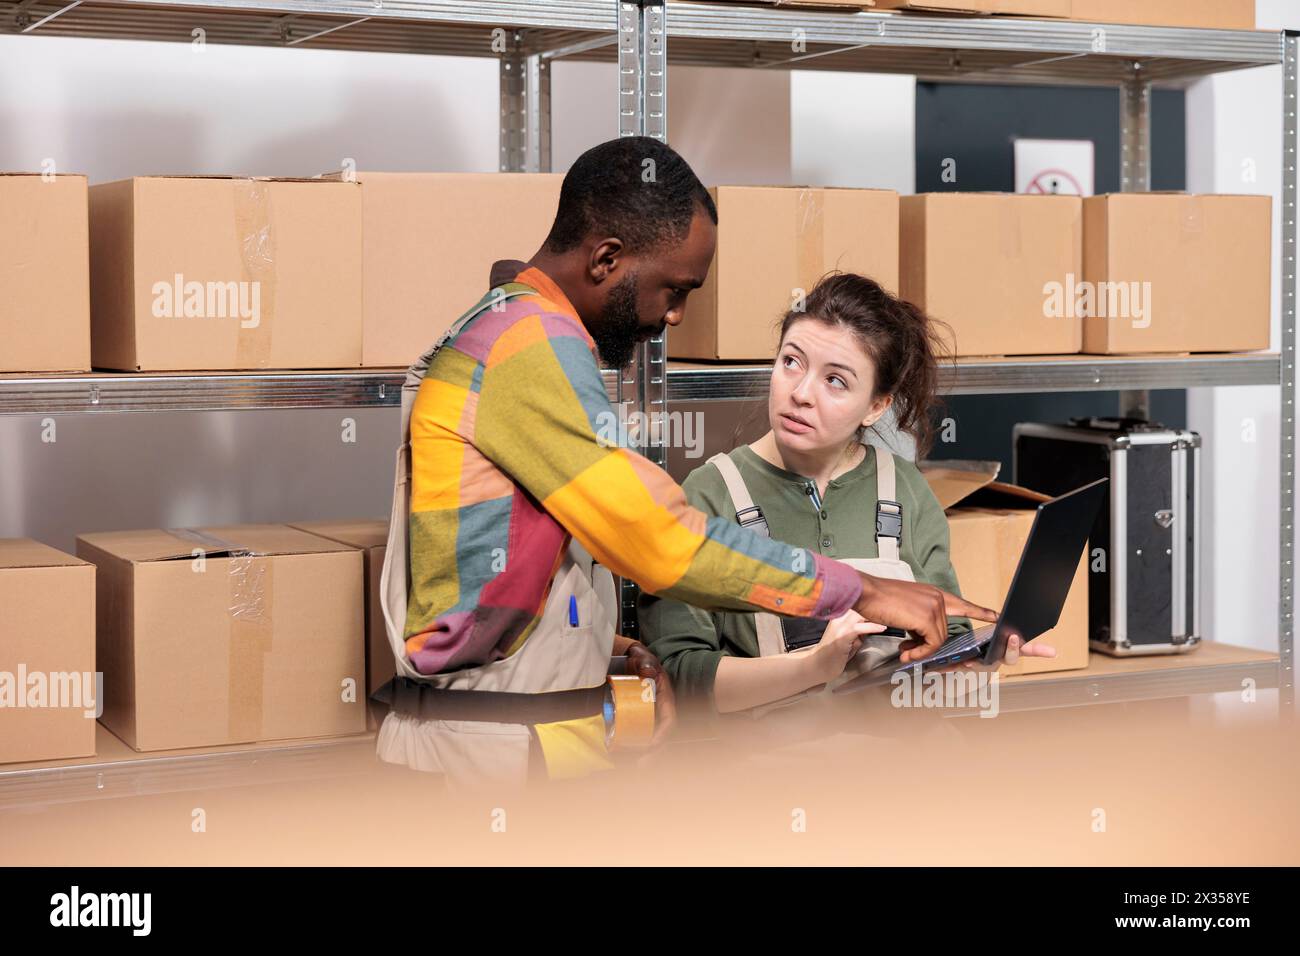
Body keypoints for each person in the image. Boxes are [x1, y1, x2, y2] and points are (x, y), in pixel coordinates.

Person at [376, 138, 997, 784]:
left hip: (515, 741)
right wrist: (864, 590)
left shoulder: (517, 332)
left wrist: (615, 651)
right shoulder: (527, 345)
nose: (674, 315)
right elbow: (659, 540)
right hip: (492, 759)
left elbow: (502, 569)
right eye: (674, 289)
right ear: (607, 259)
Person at [639, 272, 1056, 714]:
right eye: (791, 362)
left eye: (835, 381)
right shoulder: (710, 493)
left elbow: (941, 651)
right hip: (772, 756)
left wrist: (976, 663)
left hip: (903, 751)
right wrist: (812, 668)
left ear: (876, 406)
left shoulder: (906, 489)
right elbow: (681, 679)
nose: (801, 393)